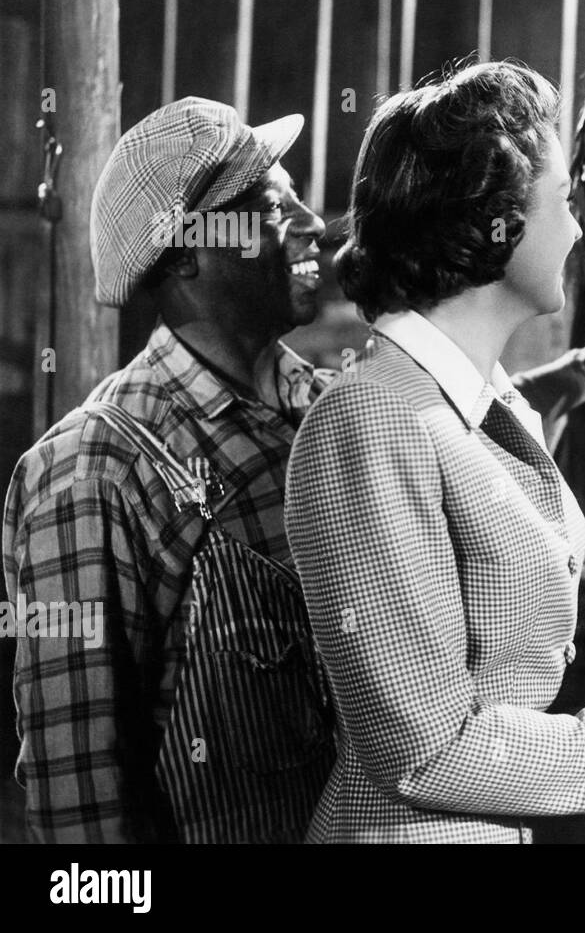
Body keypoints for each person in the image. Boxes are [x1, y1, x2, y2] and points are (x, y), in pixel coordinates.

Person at [283, 60, 585, 844]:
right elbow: (426, 750)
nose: (579, 226)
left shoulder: (480, 399)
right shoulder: (369, 420)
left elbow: (487, 475)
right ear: (492, 223)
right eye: (560, 199)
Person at [3, 98, 336, 842]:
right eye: (274, 208)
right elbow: (80, 807)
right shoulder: (93, 471)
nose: (315, 225)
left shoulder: (334, 411)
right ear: (185, 253)